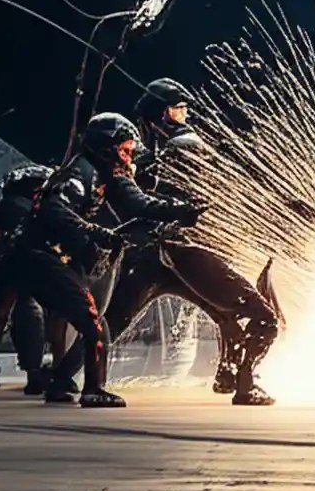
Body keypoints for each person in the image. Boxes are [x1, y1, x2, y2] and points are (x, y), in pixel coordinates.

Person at [7, 113, 202, 407]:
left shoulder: (104, 173)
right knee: (93, 322)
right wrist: (95, 233)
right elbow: (55, 212)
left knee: (93, 320)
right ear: (106, 149)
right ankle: (92, 390)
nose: (128, 158)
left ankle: (60, 384)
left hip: (44, 257)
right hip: (37, 258)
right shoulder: (79, 175)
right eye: (124, 150)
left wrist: (179, 211)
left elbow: (138, 202)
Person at [110, 78, 279, 406]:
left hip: (164, 252)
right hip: (190, 252)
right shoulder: (184, 145)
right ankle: (245, 385)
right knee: (265, 319)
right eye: (177, 110)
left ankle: (227, 375)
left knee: (117, 318)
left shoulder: (151, 156)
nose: (184, 115)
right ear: (162, 115)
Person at [0, 164, 53, 392]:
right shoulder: (29, 209)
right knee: (28, 311)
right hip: (22, 266)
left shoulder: (3, 207)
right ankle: (33, 374)